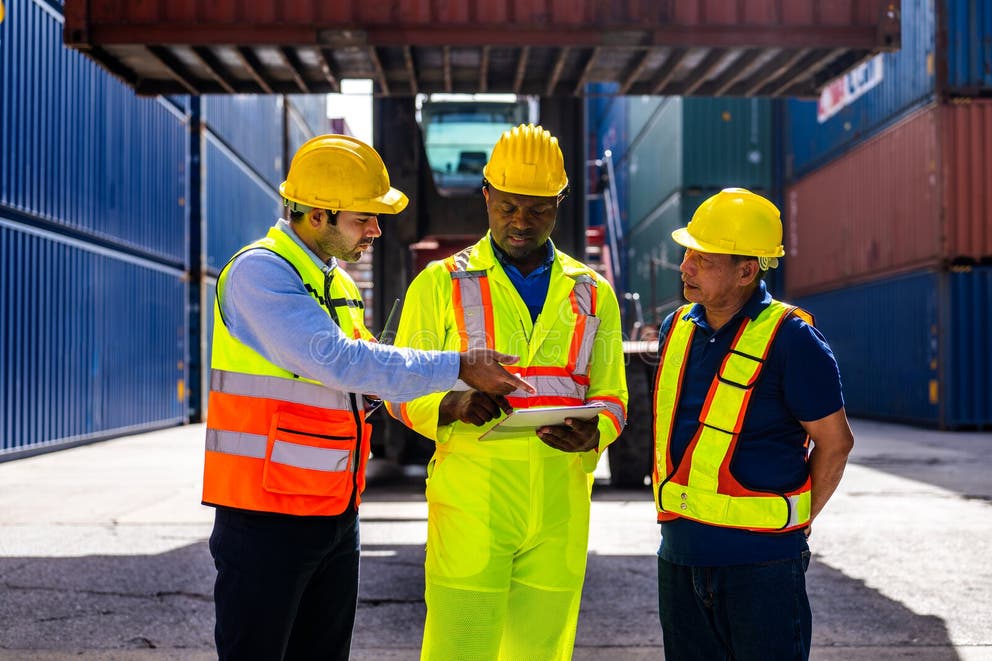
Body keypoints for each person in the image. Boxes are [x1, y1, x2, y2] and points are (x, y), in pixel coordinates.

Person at [201, 134, 535, 661]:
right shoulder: (260, 274)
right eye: (364, 219)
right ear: (317, 215)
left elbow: (354, 389)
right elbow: (340, 361)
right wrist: (459, 367)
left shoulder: (335, 284)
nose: (377, 231)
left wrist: (445, 407)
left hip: (332, 513)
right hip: (266, 517)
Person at [385, 124, 628, 661]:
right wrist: (450, 404)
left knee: (542, 653)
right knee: (459, 650)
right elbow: (399, 385)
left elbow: (613, 394)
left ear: (560, 203)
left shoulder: (593, 293)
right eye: (509, 205)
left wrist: (598, 430)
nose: (521, 221)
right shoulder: (439, 283)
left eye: (538, 208)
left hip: (560, 507)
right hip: (473, 507)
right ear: (487, 196)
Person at [651, 188, 855, 660]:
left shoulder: (793, 338)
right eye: (687, 254)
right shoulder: (675, 328)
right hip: (679, 559)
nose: (685, 268)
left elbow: (835, 443)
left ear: (746, 270)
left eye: (702, 259)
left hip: (762, 566)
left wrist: (801, 519)